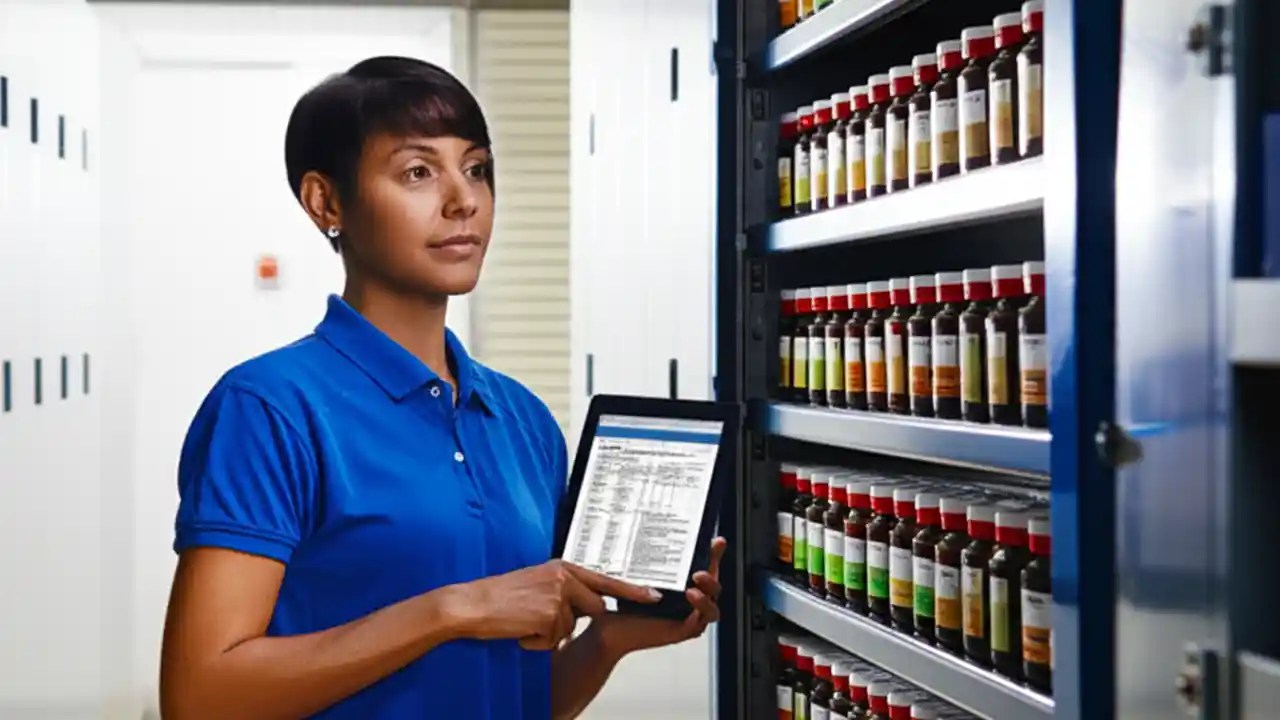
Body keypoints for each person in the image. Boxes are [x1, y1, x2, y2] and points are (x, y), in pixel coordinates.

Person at [158, 56, 725, 720]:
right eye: (418, 172)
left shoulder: (522, 420)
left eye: (477, 168)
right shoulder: (268, 409)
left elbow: (514, 700)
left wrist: (607, 641)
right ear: (327, 201)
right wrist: (457, 609)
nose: (464, 201)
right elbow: (200, 698)